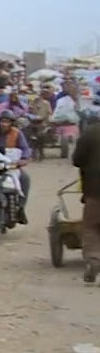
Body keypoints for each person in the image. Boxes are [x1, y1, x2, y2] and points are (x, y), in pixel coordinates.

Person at [72, 119, 100, 283]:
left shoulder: (91, 132)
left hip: (95, 189)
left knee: (91, 226)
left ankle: (95, 259)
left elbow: (77, 160)